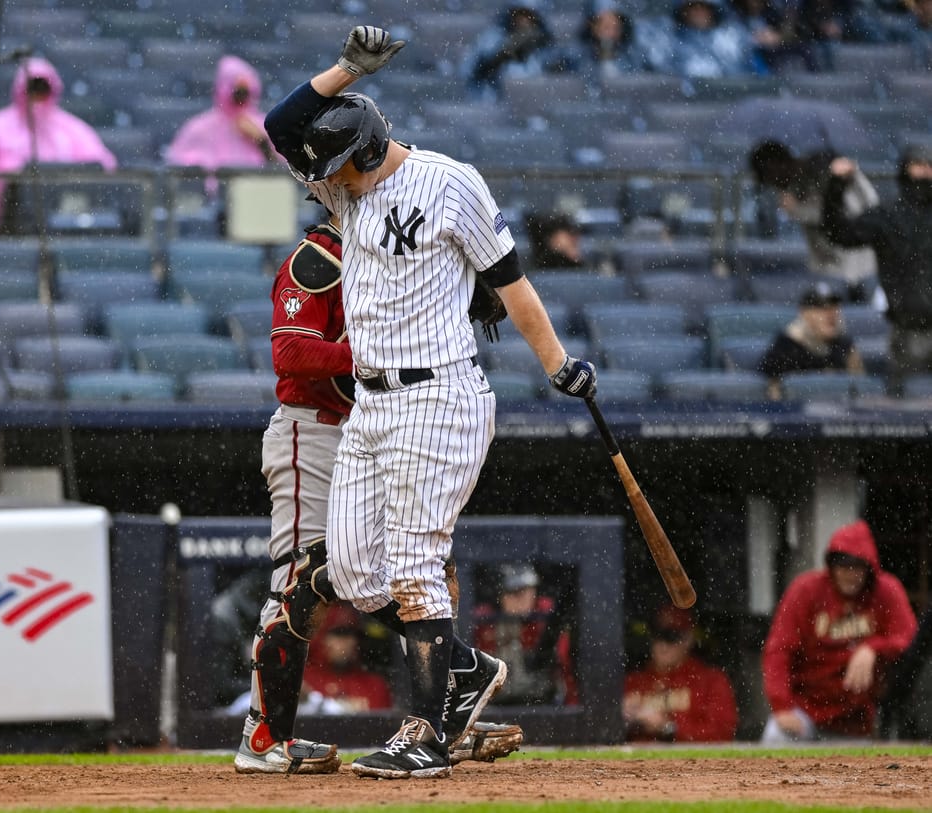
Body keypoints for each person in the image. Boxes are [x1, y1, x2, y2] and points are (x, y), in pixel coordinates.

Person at [264, 25, 597, 779]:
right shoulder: (342, 182)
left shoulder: (450, 182)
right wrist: (344, 70)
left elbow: (512, 283)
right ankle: (464, 676)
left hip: (438, 394)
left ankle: (427, 736)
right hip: (371, 404)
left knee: (415, 565)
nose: (329, 187)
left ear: (370, 152)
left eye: (341, 172)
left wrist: (557, 365)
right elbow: (281, 129)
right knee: (355, 571)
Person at [234, 207, 523, 774]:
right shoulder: (318, 257)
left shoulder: (397, 260)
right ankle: (265, 736)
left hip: (380, 426)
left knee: (413, 571)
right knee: (300, 578)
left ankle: (443, 716)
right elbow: (290, 354)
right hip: (313, 431)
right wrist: (379, 352)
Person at [761, 520, 917, 742]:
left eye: (857, 567)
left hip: (859, 720)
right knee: (776, 737)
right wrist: (781, 706)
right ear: (831, 566)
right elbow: (779, 650)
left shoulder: (886, 591)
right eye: (844, 566)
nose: (850, 574)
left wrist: (873, 648)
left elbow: (910, 639)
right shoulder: (806, 590)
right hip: (806, 712)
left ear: (869, 568)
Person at [0, 57, 118, 233]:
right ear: (20, 90)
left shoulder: (70, 127)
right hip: (7, 225)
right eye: (32, 88)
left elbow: (104, 166)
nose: (37, 96)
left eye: (42, 89)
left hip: (61, 223)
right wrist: (4, 180)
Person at [821, 146, 932, 396]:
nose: (926, 171)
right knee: (907, 408)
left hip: (911, 329)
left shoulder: (887, 214)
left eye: (930, 166)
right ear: (905, 170)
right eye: (919, 165)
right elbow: (839, 233)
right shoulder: (888, 215)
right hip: (910, 330)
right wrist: (837, 185)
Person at [750, 140, 879, 297]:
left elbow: (833, 214)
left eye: (770, 176)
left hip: (851, 263)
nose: (773, 183)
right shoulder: (795, 183)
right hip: (827, 266)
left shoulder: (820, 169)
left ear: (778, 165)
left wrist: (796, 209)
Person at [623, 604, 738, 742]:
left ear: (688, 639)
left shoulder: (711, 681)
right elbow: (603, 730)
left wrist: (667, 727)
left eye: (671, 637)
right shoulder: (632, 682)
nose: (663, 645)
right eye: (657, 635)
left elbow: (723, 733)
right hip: (637, 755)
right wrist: (622, 718)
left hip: (689, 755)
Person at [472, 563, 579, 706]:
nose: (523, 598)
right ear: (500, 594)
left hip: (540, 699)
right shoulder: (484, 620)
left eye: (528, 590)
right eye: (514, 592)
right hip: (494, 701)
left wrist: (572, 705)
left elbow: (565, 664)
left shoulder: (546, 616)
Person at [165, 55, 279, 187]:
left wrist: (262, 142)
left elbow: (281, 172)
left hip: (256, 193)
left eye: (245, 92)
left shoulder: (264, 125)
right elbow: (178, 167)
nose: (241, 98)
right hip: (213, 197)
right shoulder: (201, 128)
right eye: (237, 92)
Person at [758, 281, 865, 398]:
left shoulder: (845, 345)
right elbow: (773, 395)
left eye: (834, 307)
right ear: (805, 313)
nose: (830, 315)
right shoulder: (786, 347)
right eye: (821, 308)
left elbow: (861, 389)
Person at [301, 603, 394, 712]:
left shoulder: (374, 686)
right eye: (339, 634)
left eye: (353, 634)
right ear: (322, 638)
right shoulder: (303, 682)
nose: (350, 642)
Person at [464, 1, 558, 101]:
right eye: (519, 15)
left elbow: (550, 71)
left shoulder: (544, 43)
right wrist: (499, 57)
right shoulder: (493, 39)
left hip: (537, 99)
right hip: (495, 98)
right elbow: (469, 69)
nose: (523, 20)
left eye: (528, 16)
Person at [642, 0, 762, 79]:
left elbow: (748, 77)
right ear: (683, 10)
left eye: (704, 7)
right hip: (679, 106)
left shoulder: (733, 38)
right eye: (693, 7)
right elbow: (660, 81)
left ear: (714, 9)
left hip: (729, 103)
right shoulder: (666, 40)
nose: (699, 12)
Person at [554, 0, 648, 79]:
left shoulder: (634, 56)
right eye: (606, 27)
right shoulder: (575, 56)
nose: (611, 33)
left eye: (616, 28)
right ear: (592, 26)